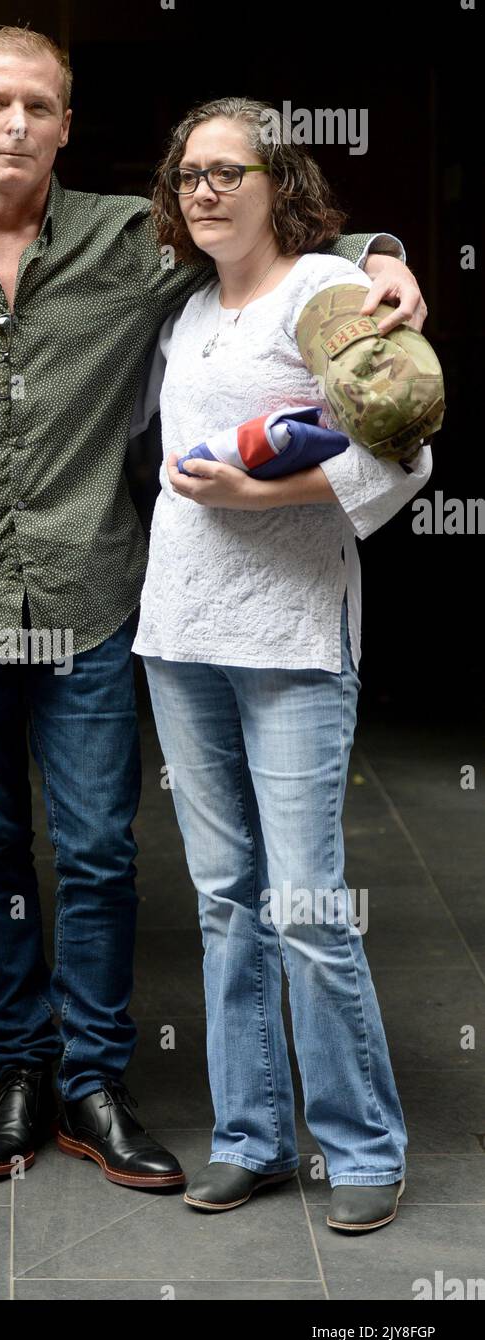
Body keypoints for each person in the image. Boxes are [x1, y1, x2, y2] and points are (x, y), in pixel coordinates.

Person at [0, 26, 428, 1189]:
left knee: (97, 852)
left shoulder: (137, 242)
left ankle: (95, 1080)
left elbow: (285, 249)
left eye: (40, 103)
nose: (17, 123)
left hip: (94, 601)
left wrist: (383, 249)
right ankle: (28, 1075)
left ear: (67, 126)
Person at [129, 96, 432, 1230]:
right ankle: (250, 1136)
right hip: (179, 633)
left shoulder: (323, 292)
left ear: (277, 182)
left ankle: (361, 1143)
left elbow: (404, 456)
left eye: (227, 171)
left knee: (305, 903)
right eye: (189, 175)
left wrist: (263, 490)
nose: (204, 190)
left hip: (295, 635)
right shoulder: (188, 309)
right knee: (223, 901)